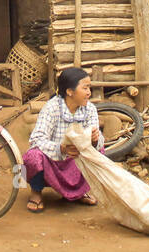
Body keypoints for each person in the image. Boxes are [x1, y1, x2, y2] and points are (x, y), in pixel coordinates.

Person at [23, 66, 104, 213]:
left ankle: (79, 191)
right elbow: (36, 139)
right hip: (54, 161)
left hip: (76, 159)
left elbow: (96, 141)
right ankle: (36, 192)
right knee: (32, 156)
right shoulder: (52, 108)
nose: (89, 93)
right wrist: (61, 148)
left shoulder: (90, 109)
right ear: (69, 91)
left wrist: (94, 139)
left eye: (89, 88)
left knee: (101, 150)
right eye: (85, 88)